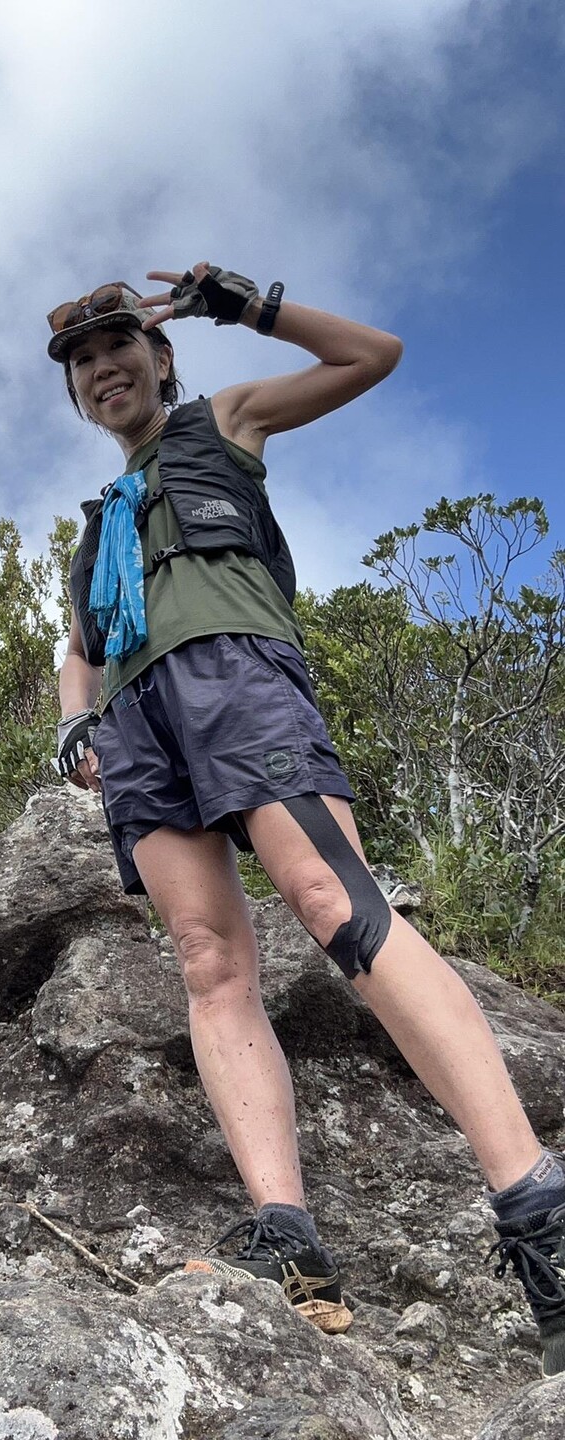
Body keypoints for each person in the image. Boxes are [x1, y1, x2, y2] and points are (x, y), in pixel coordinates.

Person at [48, 261, 565, 1371]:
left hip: (235, 674)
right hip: (138, 726)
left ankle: (538, 1206)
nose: (101, 369)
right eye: (81, 362)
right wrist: (76, 720)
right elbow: (78, 647)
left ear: (160, 357)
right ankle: (288, 1238)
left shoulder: (224, 423)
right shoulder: (96, 530)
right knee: (206, 959)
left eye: (117, 346)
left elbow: (371, 356)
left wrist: (250, 307)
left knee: (336, 901)